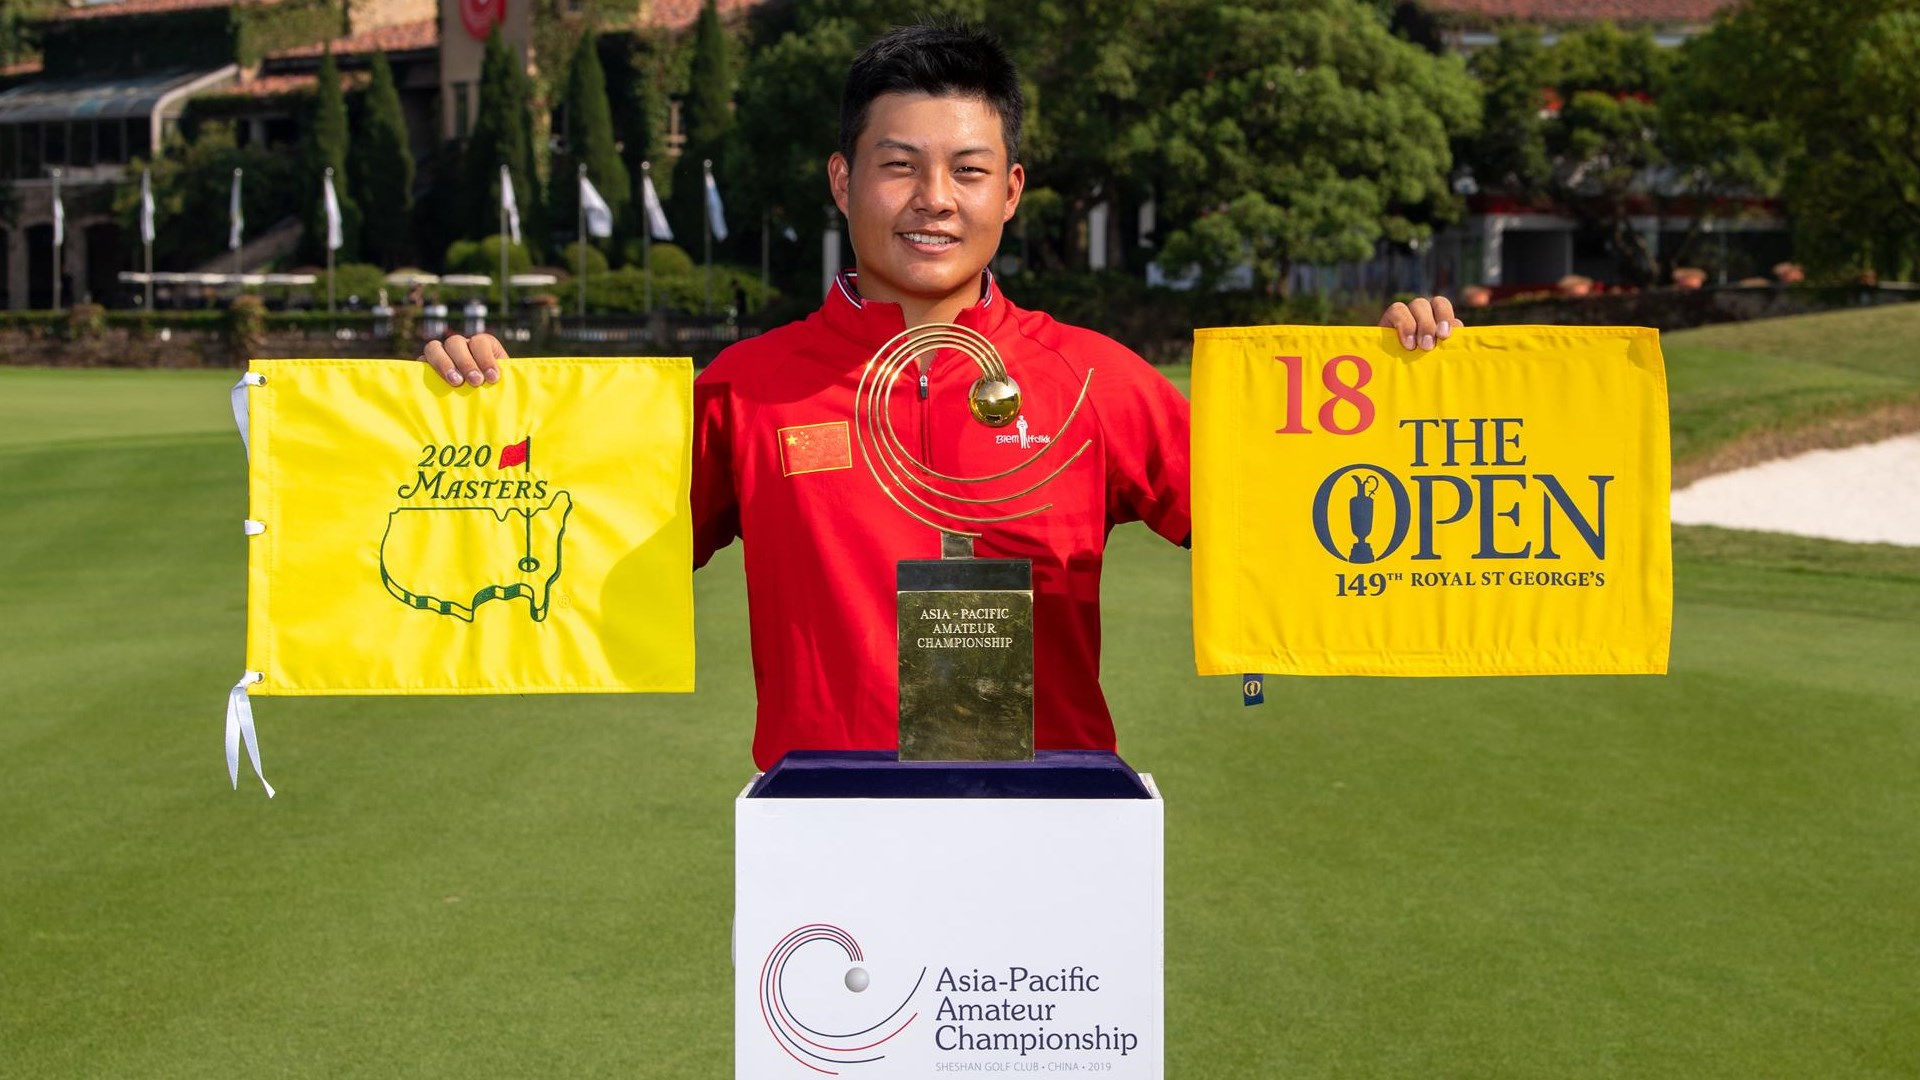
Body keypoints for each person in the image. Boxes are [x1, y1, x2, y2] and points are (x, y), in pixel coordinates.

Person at [422, 23, 1459, 770]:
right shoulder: (747, 389)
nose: (934, 200)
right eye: (898, 167)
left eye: (968, 169)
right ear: (841, 181)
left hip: (1054, 823)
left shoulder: (1096, 379)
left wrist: (1395, 394)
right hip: (823, 835)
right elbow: (568, 534)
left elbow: (1290, 519)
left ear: (1009, 190)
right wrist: (480, 414)